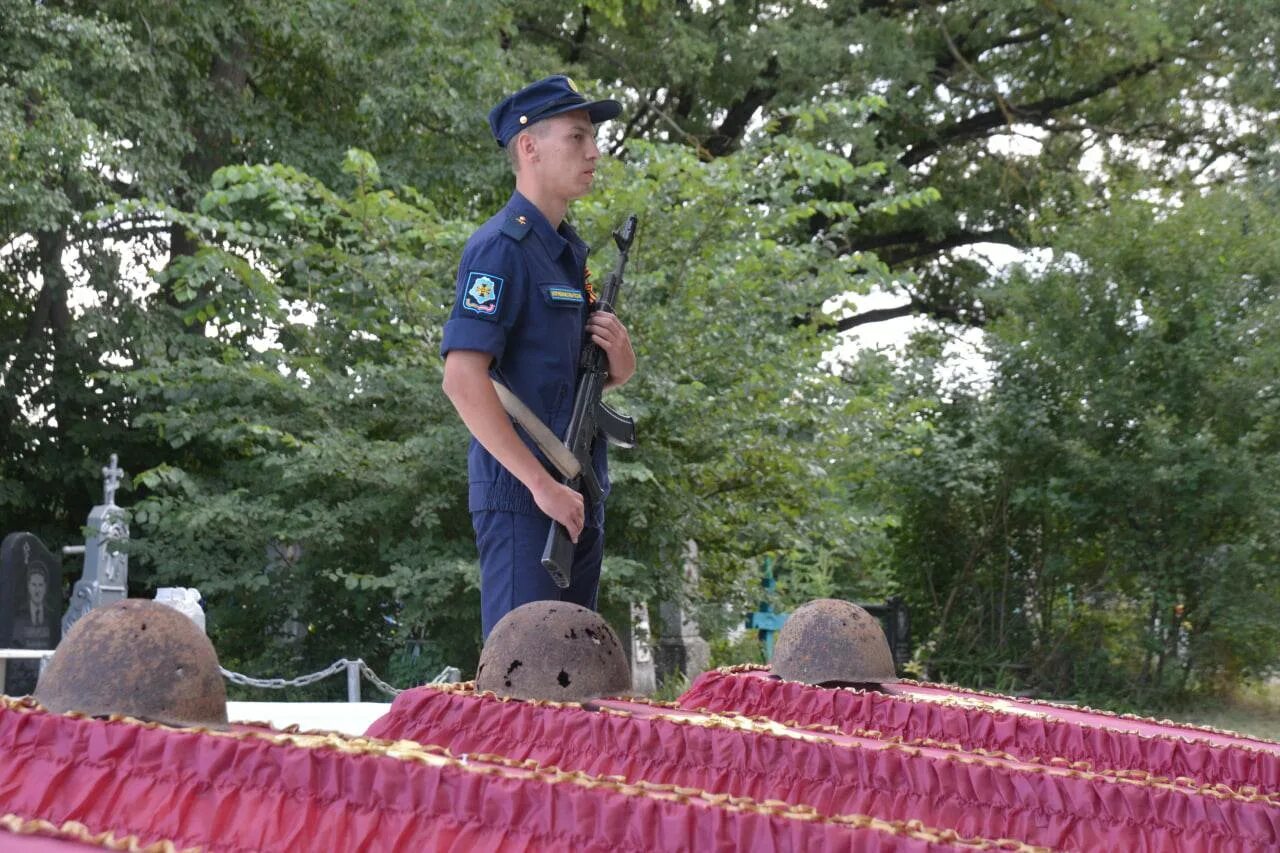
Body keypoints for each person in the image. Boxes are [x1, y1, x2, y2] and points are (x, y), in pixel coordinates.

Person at [441, 75, 637, 640]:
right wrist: (539, 484)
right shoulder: (501, 248)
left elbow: (585, 379)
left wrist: (622, 358)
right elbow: (461, 379)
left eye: (592, 138)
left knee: (573, 682)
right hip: (526, 498)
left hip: (578, 489)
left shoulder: (567, 251)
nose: (594, 152)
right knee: (520, 687)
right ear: (529, 147)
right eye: (577, 137)